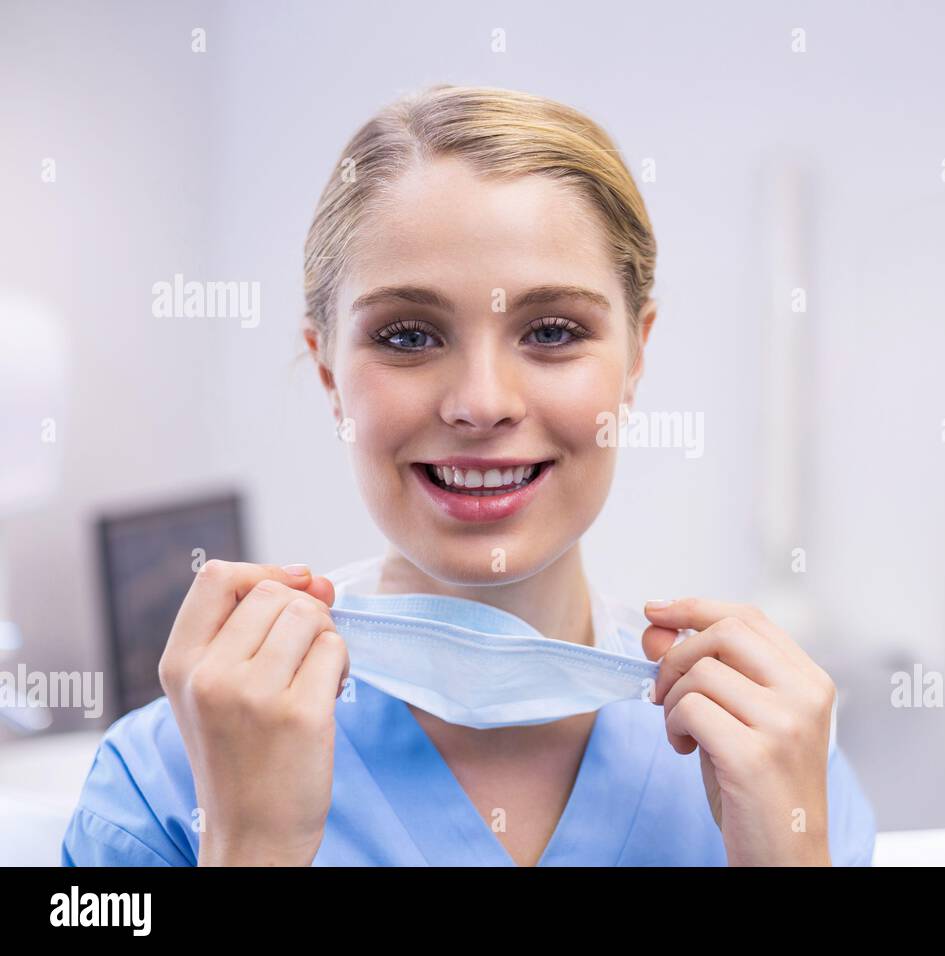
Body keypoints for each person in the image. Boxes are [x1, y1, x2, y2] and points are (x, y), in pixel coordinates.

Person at [61, 84, 876, 866]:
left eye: (552, 331)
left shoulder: (776, 765)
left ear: (636, 359)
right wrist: (252, 850)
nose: (482, 404)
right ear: (327, 371)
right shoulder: (162, 786)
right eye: (409, 336)